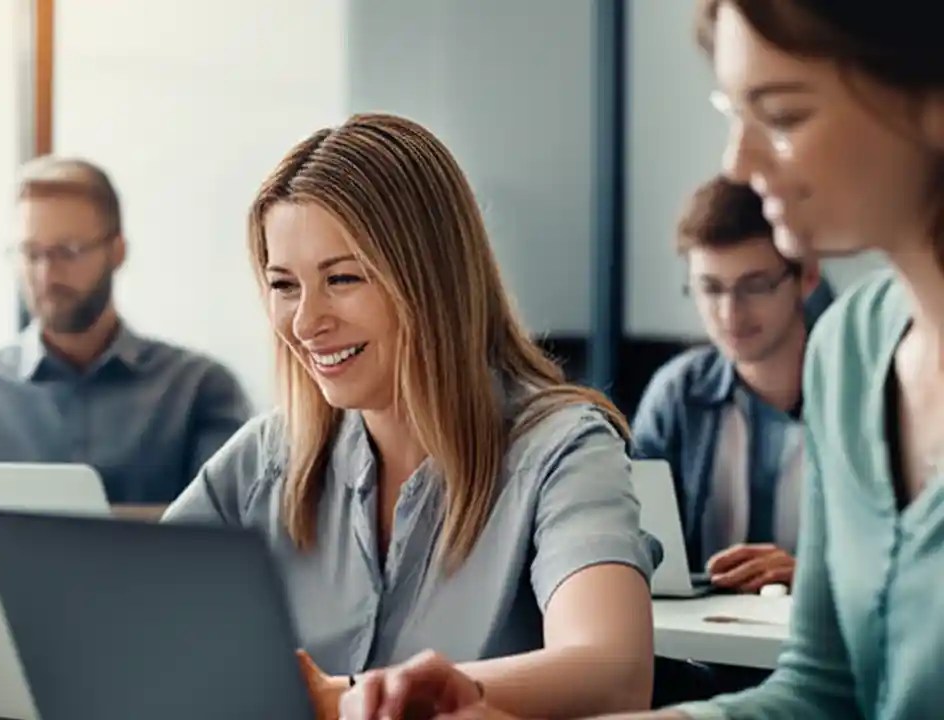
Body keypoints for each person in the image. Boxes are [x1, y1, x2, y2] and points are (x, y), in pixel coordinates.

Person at [344, 0, 944, 718]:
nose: (738, 163)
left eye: (782, 115)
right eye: (733, 111)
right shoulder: (852, 349)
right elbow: (820, 694)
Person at [164, 113, 657, 719]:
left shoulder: (560, 450)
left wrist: (345, 698)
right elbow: (133, 628)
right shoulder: (267, 457)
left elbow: (614, 672)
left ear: (431, 279)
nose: (305, 321)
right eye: (284, 285)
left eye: (342, 278)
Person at [0, 156, 250, 504]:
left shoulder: (199, 392)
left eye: (68, 251)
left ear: (117, 251)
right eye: (30, 253)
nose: (46, 274)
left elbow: (223, 533)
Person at [632, 177, 834, 593]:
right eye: (710, 288)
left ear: (807, 277)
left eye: (755, 285)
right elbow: (633, 536)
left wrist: (814, 579)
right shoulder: (678, 394)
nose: (730, 313)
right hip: (702, 646)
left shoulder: (862, 393)